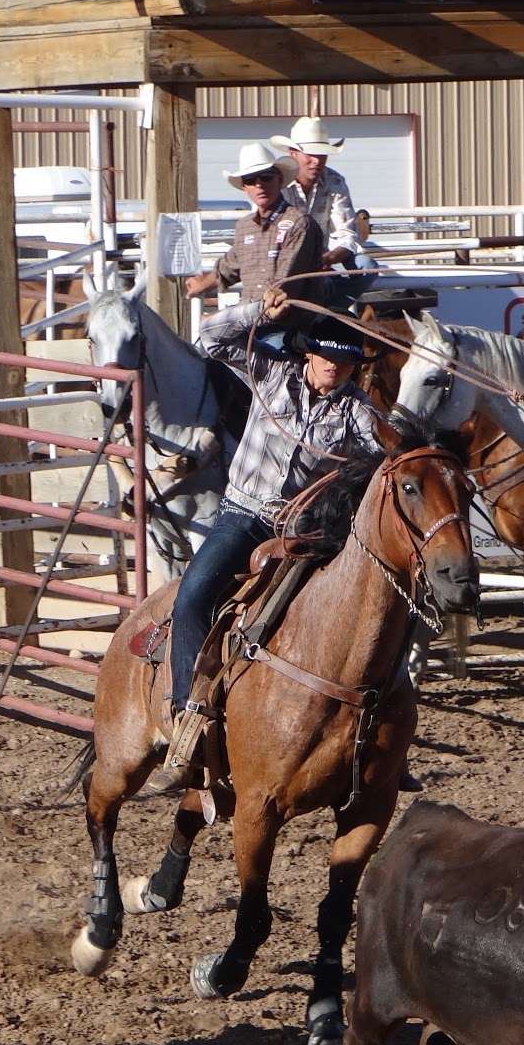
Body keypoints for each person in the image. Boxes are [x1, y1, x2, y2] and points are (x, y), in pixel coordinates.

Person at [160, 288, 382, 792]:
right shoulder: (270, 374)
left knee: (366, 614)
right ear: (310, 353)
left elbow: (389, 454)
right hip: (244, 514)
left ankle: (380, 729)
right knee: (193, 597)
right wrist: (260, 312)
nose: (337, 368)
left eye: (347, 362)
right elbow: (210, 339)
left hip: (306, 530)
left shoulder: (357, 411)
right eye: (329, 357)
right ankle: (185, 716)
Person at [183, 142, 326, 315]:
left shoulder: (298, 223)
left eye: (265, 176)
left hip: (287, 324)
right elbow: (228, 267)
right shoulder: (245, 227)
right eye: (250, 180)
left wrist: (229, 317)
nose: (258, 184)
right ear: (244, 187)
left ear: (279, 179)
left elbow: (284, 283)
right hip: (250, 320)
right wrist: (201, 285)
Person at [270, 116, 363, 271]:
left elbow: (346, 232)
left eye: (322, 154)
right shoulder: (276, 183)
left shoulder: (335, 182)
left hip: (322, 258)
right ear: (293, 154)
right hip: (285, 260)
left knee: (366, 267)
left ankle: (330, 291)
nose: (317, 160)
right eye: (310, 154)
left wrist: (331, 257)